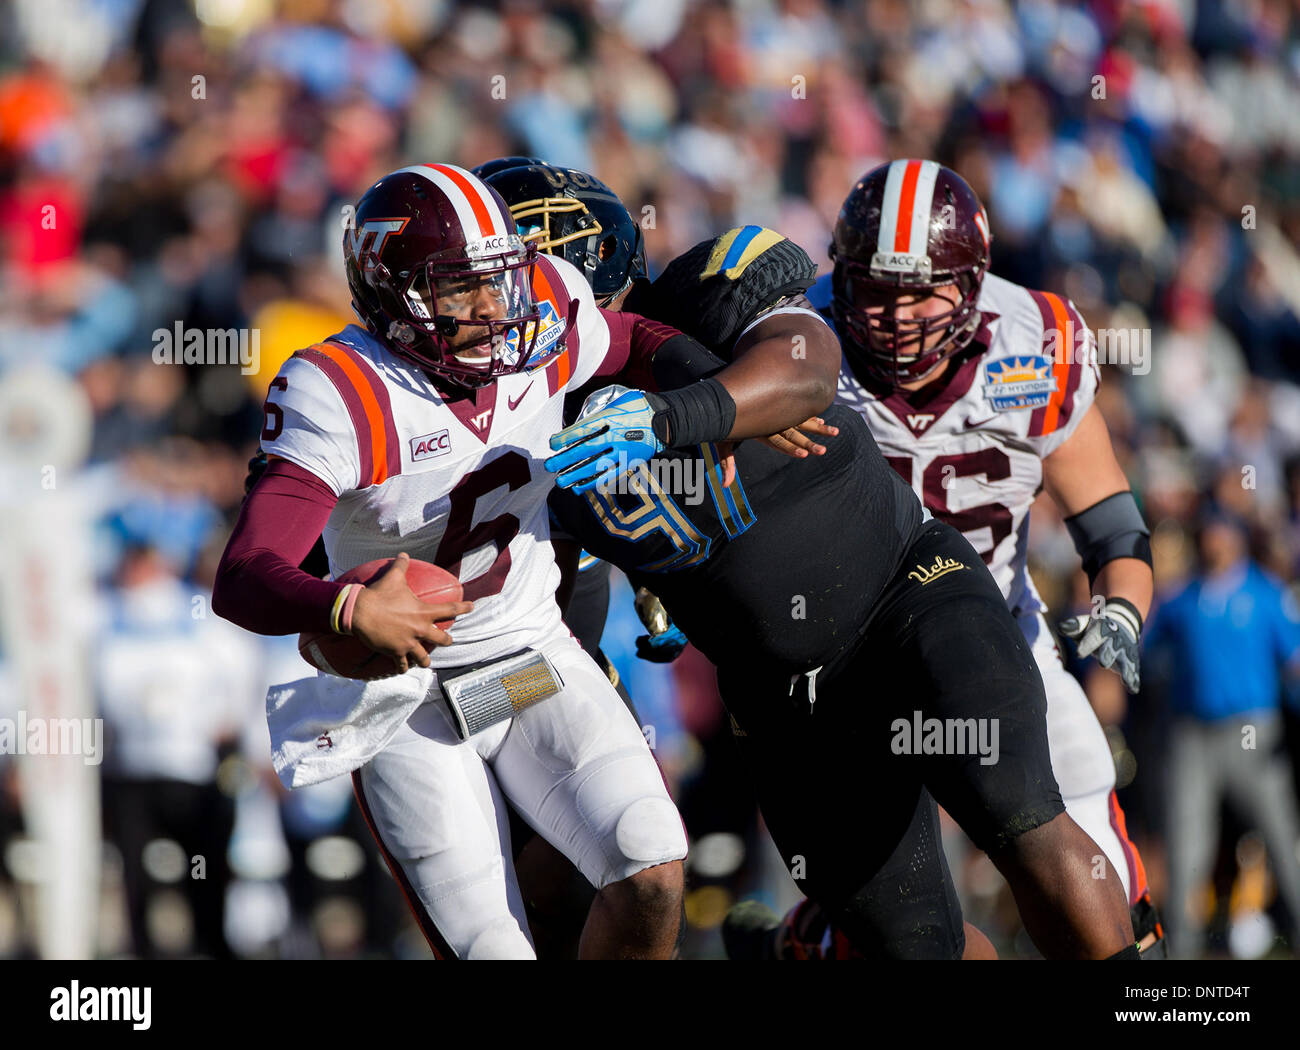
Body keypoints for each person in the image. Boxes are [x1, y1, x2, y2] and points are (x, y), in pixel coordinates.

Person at [214, 162, 836, 959]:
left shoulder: (538, 306)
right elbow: (244, 571)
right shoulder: (342, 390)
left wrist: (723, 394)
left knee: (651, 861)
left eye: (498, 281)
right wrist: (346, 608)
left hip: (528, 656)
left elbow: (626, 339)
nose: (489, 308)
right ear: (388, 292)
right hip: (409, 697)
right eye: (456, 288)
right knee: (494, 950)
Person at [548, 220, 1139, 959]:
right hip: (784, 698)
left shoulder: (700, 300)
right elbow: (554, 607)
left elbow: (807, 367)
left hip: (908, 595)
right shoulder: (511, 436)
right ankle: (811, 942)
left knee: (1020, 818)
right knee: (914, 944)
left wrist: (675, 415)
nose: (488, 316)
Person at [788, 158, 1163, 956]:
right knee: (909, 937)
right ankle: (815, 934)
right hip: (853, 662)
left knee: (1108, 901)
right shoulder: (795, 342)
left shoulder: (1037, 343)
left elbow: (1114, 531)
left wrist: (1121, 610)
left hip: (1002, 637)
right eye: (876, 289)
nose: (894, 316)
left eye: (918, 290)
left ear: (971, 283)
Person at [1144, 508, 1300, 957]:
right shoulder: (1183, 599)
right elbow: (1147, 651)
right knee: (1186, 842)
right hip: (1193, 733)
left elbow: (1292, 659)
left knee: (1280, 833)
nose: (1214, 544)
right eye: (1208, 536)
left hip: (1253, 731)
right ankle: (1184, 944)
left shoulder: (1264, 593)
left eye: (1221, 536)